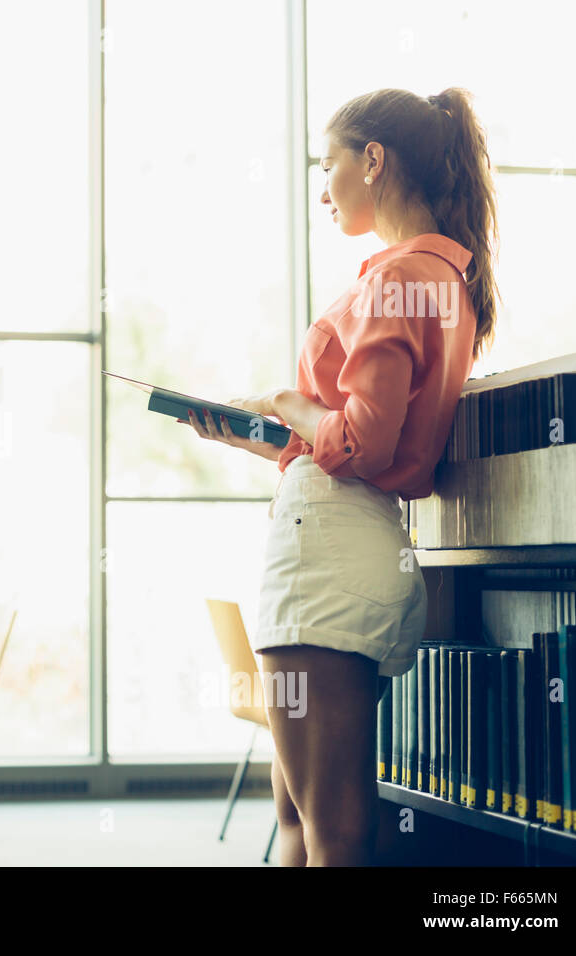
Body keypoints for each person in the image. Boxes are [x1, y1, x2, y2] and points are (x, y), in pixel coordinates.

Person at [187, 87, 499, 865]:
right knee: (306, 816)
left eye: (329, 165)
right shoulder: (438, 277)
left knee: (324, 826)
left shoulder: (397, 277)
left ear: (374, 160)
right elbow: (368, 448)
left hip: (327, 560)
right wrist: (267, 435)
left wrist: (288, 401)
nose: (323, 188)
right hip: (355, 546)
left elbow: (362, 440)